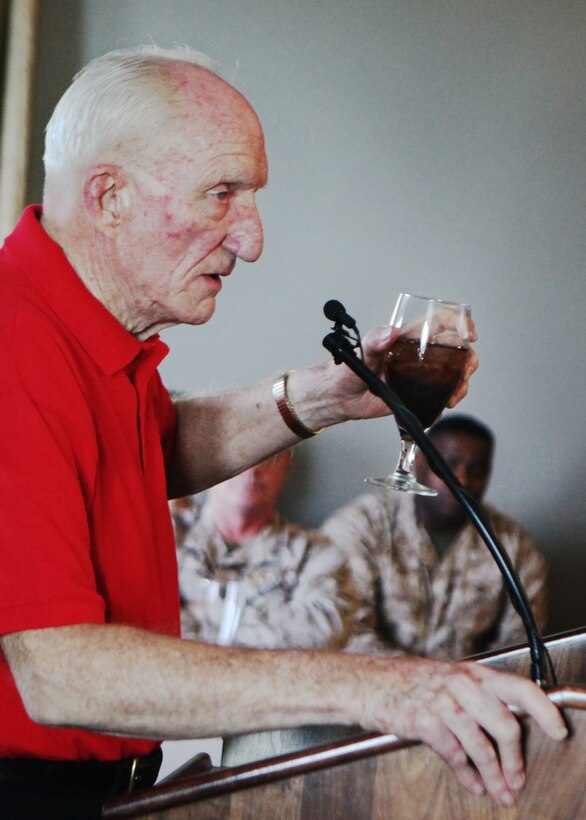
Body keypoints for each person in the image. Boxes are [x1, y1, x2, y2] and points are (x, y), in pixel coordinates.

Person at [0, 45, 565, 818]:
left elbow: (156, 450)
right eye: (221, 194)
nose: (252, 239)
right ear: (109, 197)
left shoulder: (78, 329)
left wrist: (331, 397)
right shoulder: (13, 345)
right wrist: (389, 688)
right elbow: (58, 670)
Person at [323, 414, 548, 659]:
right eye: (447, 464)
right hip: (375, 688)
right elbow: (342, 634)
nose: (461, 480)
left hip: (473, 692)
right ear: (419, 465)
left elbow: (521, 650)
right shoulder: (362, 526)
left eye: (476, 469)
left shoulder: (514, 548)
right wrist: (429, 681)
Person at [172, 448, 355, 648]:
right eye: (239, 454)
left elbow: (324, 636)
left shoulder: (314, 554)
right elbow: (138, 623)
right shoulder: (166, 532)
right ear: (208, 463)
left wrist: (206, 611)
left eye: (271, 456)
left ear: (287, 467)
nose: (253, 469)